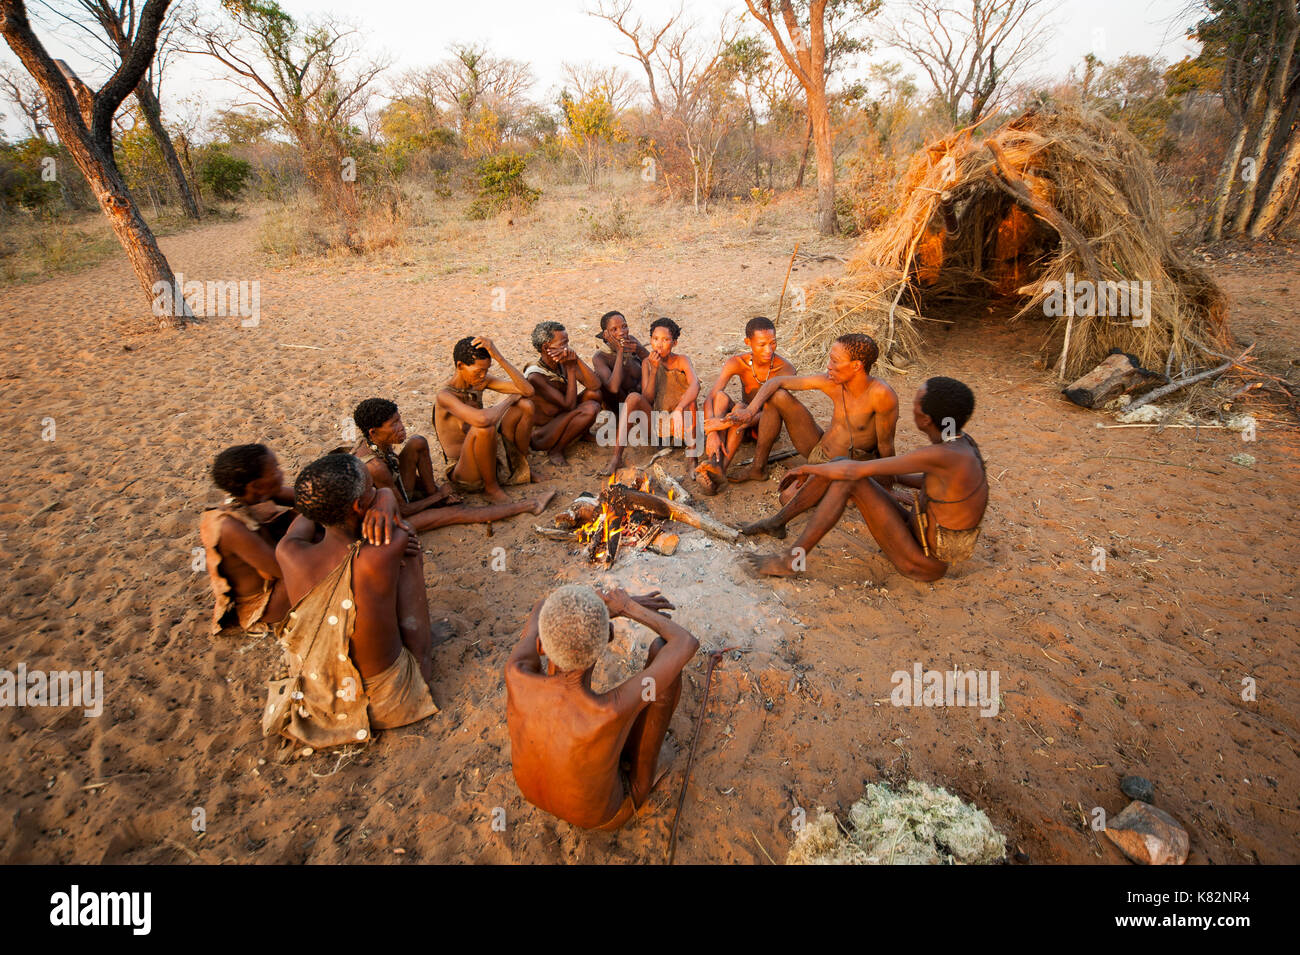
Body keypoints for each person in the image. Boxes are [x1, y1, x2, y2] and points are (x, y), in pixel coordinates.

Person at [266, 454, 438, 747]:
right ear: (360, 506)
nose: (379, 492)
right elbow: (401, 524)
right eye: (373, 488)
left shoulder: (288, 550)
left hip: (321, 694)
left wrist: (378, 494)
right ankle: (422, 659)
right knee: (411, 553)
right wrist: (386, 497)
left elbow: (308, 514)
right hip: (385, 697)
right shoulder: (386, 547)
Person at [743, 377, 987, 582]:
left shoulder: (941, 455)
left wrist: (809, 469)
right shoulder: (961, 444)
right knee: (841, 467)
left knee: (846, 477)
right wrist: (863, 472)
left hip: (922, 562)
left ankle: (790, 561)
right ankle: (777, 522)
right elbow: (933, 484)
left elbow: (854, 473)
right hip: (916, 531)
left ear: (924, 419)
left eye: (915, 404)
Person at [506, 584, 698, 830]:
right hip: (603, 818)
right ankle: (641, 773)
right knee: (662, 652)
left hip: (532, 795)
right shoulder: (609, 711)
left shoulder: (516, 671)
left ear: (541, 646)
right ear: (608, 636)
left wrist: (596, 608)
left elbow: (542, 606)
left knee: (560, 671)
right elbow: (685, 642)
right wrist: (628, 607)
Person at [730, 333, 898, 539]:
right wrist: (751, 410)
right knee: (777, 396)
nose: (829, 366)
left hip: (843, 464)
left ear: (856, 366)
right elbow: (778, 382)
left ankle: (846, 492)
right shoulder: (832, 381)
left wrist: (887, 487)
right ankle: (758, 468)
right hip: (818, 447)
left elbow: (886, 446)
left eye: (835, 361)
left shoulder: (881, 395)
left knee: (787, 498)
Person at [352, 397, 548, 530]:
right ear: (373, 432)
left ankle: (435, 497)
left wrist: (437, 493)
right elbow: (402, 510)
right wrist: (439, 495)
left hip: (400, 493)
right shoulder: (374, 466)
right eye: (393, 425)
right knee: (458, 513)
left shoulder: (376, 443)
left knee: (418, 442)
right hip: (394, 518)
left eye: (399, 420)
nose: (401, 427)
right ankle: (531, 505)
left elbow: (396, 472)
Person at [695, 316, 817, 493]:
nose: (769, 350)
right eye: (761, 344)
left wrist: (724, 422)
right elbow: (711, 398)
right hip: (741, 419)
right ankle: (715, 463)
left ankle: (720, 467)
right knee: (721, 397)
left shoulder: (785, 369)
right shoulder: (737, 363)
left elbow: (774, 410)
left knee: (739, 409)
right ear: (748, 342)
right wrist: (712, 432)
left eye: (773, 343)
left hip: (765, 424)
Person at [200, 444, 295, 635]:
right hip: (265, 603)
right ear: (256, 485)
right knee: (323, 556)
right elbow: (283, 570)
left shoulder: (255, 495)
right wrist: (306, 520)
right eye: (275, 469)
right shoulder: (230, 527)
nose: (280, 472)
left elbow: (311, 498)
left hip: (275, 580)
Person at [434, 336, 539, 503]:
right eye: (478, 371)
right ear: (460, 366)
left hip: (488, 453)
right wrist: (509, 399)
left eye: (486, 370)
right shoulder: (445, 396)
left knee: (526, 405)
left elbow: (528, 390)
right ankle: (491, 488)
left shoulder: (479, 382)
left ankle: (521, 465)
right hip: (463, 469)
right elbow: (482, 420)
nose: (483, 376)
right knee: (484, 427)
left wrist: (498, 357)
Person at [618, 318, 701, 462]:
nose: (659, 344)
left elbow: (696, 385)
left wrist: (679, 409)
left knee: (691, 402)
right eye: (655, 339)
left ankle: (692, 458)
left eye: (665, 340)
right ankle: (616, 457)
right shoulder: (647, 363)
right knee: (633, 398)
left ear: (674, 343)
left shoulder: (682, 360)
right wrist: (654, 369)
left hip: (681, 424)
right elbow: (648, 398)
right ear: (650, 340)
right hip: (658, 427)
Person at [524, 321, 604, 466]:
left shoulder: (561, 362)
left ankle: (581, 432)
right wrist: (571, 369)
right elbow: (569, 405)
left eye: (568, 343)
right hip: (543, 434)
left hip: (564, 417)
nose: (567, 348)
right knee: (591, 409)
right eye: (563, 344)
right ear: (546, 347)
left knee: (595, 395)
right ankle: (556, 450)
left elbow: (595, 385)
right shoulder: (535, 376)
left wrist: (576, 358)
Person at [591, 310, 648, 473]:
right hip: (622, 406)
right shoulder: (600, 357)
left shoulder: (632, 343)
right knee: (598, 378)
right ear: (606, 334)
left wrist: (639, 350)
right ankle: (616, 458)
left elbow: (653, 365)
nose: (622, 332)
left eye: (624, 326)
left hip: (644, 404)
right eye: (614, 329)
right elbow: (613, 388)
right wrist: (620, 352)